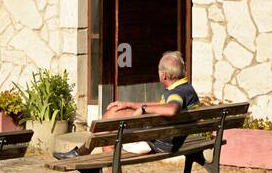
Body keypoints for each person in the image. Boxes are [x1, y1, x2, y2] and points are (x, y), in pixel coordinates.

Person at [56, 50, 199, 164]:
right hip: (168, 137)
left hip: (161, 142)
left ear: (165, 75)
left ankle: (83, 153)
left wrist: (143, 110)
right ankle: (83, 152)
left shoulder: (176, 93)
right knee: (111, 124)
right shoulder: (185, 87)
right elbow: (161, 105)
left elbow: (171, 109)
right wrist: (129, 104)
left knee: (109, 127)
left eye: (159, 71)